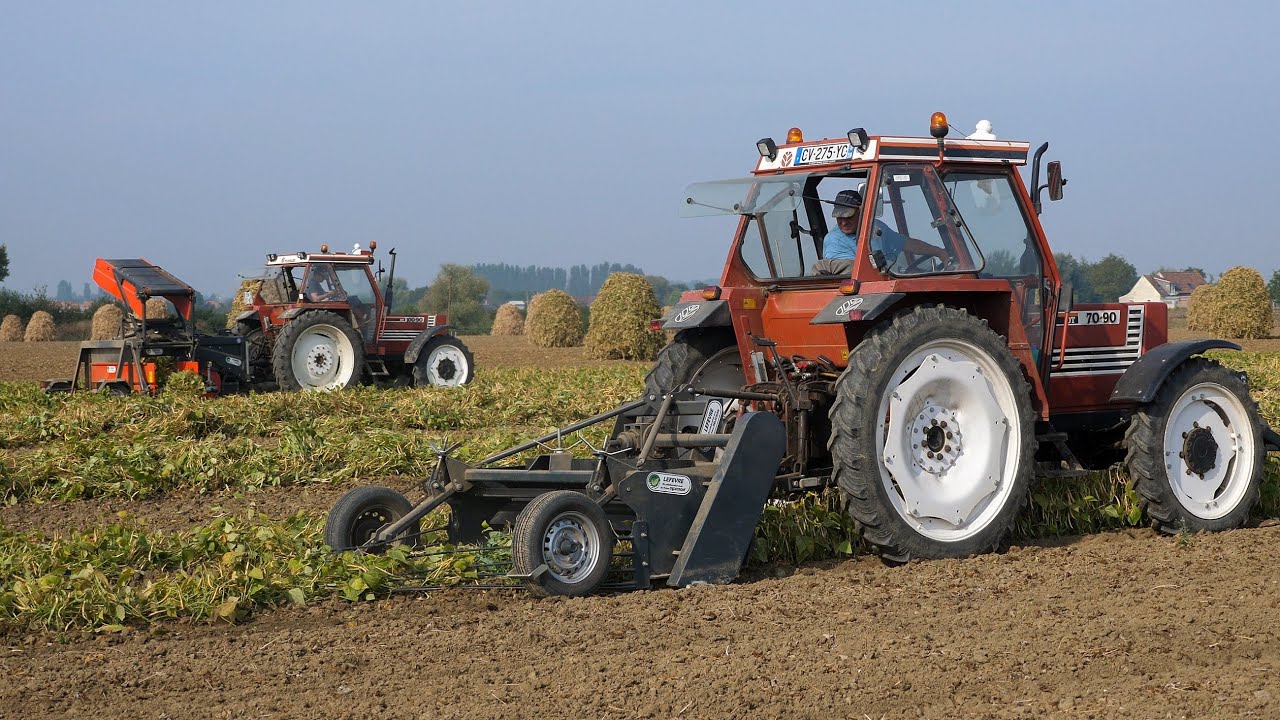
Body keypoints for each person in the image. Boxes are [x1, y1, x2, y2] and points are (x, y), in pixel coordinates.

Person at [811, 189, 949, 275]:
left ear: (862, 211)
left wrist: (938, 252)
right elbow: (859, 273)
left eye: (848, 216)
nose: (843, 222)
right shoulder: (834, 240)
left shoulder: (875, 228)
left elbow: (907, 243)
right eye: (839, 217)